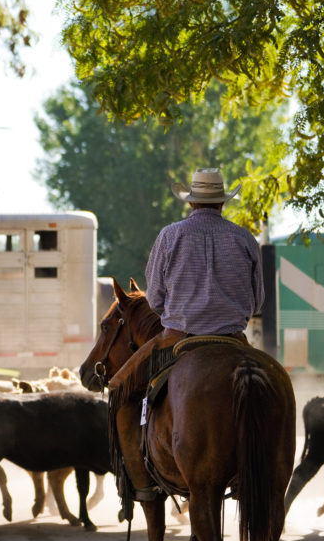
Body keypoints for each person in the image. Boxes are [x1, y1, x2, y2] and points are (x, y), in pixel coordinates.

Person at [109, 167, 264, 406]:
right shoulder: (245, 238)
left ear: (191, 203)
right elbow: (257, 301)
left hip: (178, 337)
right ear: (222, 203)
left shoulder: (169, 236)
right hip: (233, 337)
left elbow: (155, 301)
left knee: (118, 387)